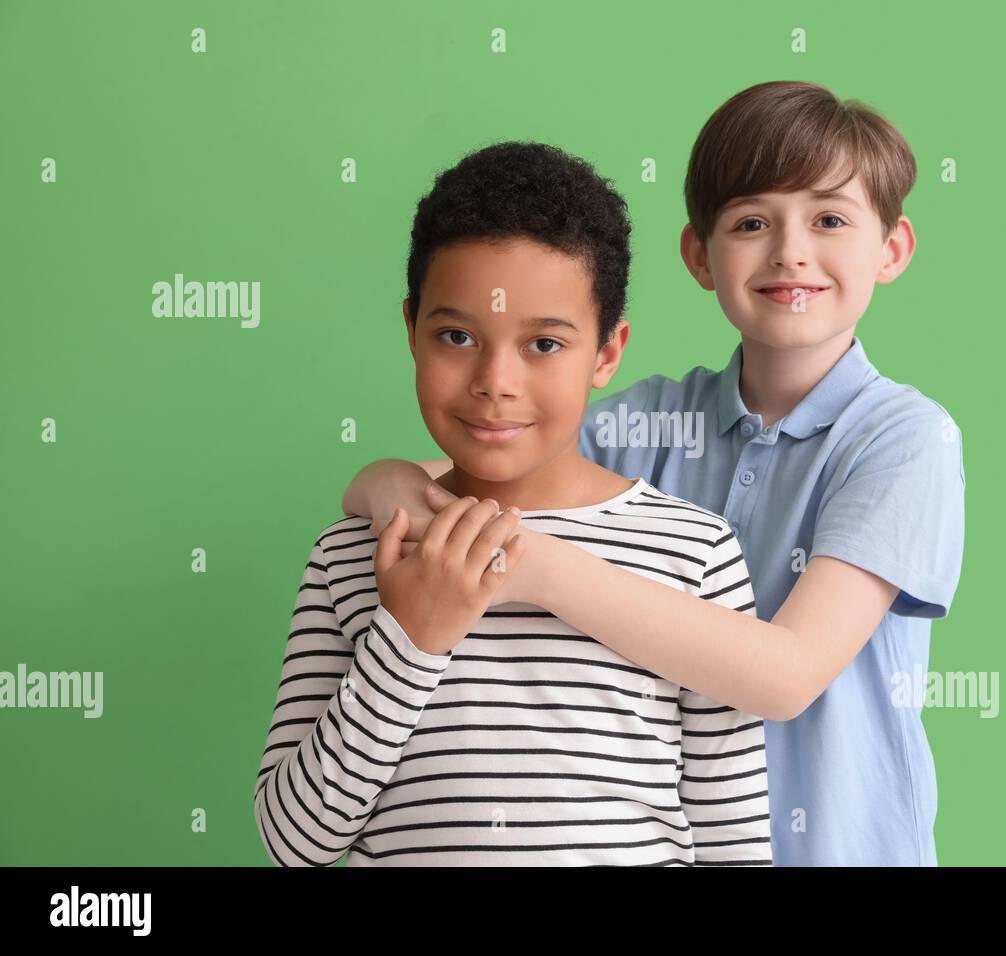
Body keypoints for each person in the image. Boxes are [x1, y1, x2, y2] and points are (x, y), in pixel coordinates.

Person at [344, 81, 966, 866]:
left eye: (830, 219)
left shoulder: (904, 440)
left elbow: (785, 676)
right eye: (751, 222)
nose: (790, 251)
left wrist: (534, 568)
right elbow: (485, 460)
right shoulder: (652, 420)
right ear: (699, 255)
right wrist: (386, 480)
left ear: (893, 249)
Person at [254, 141, 771, 866]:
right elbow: (293, 841)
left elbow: (735, 840)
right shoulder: (352, 553)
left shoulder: (693, 552)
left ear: (607, 352)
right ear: (411, 330)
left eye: (545, 344)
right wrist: (411, 639)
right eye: (457, 336)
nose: (495, 381)